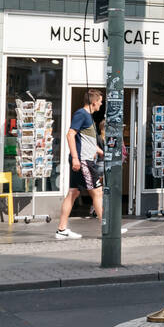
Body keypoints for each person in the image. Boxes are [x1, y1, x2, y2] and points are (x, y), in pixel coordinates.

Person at [56, 89, 110, 239]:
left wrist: (101, 152)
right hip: (83, 161)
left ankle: (61, 230)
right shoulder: (82, 114)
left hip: (84, 160)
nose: (101, 103)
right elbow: (70, 134)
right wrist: (75, 158)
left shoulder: (89, 118)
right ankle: (107, 229)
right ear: (94, 102)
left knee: (73, 192)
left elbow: (88, 142)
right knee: (97, 192)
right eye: (100, 101)